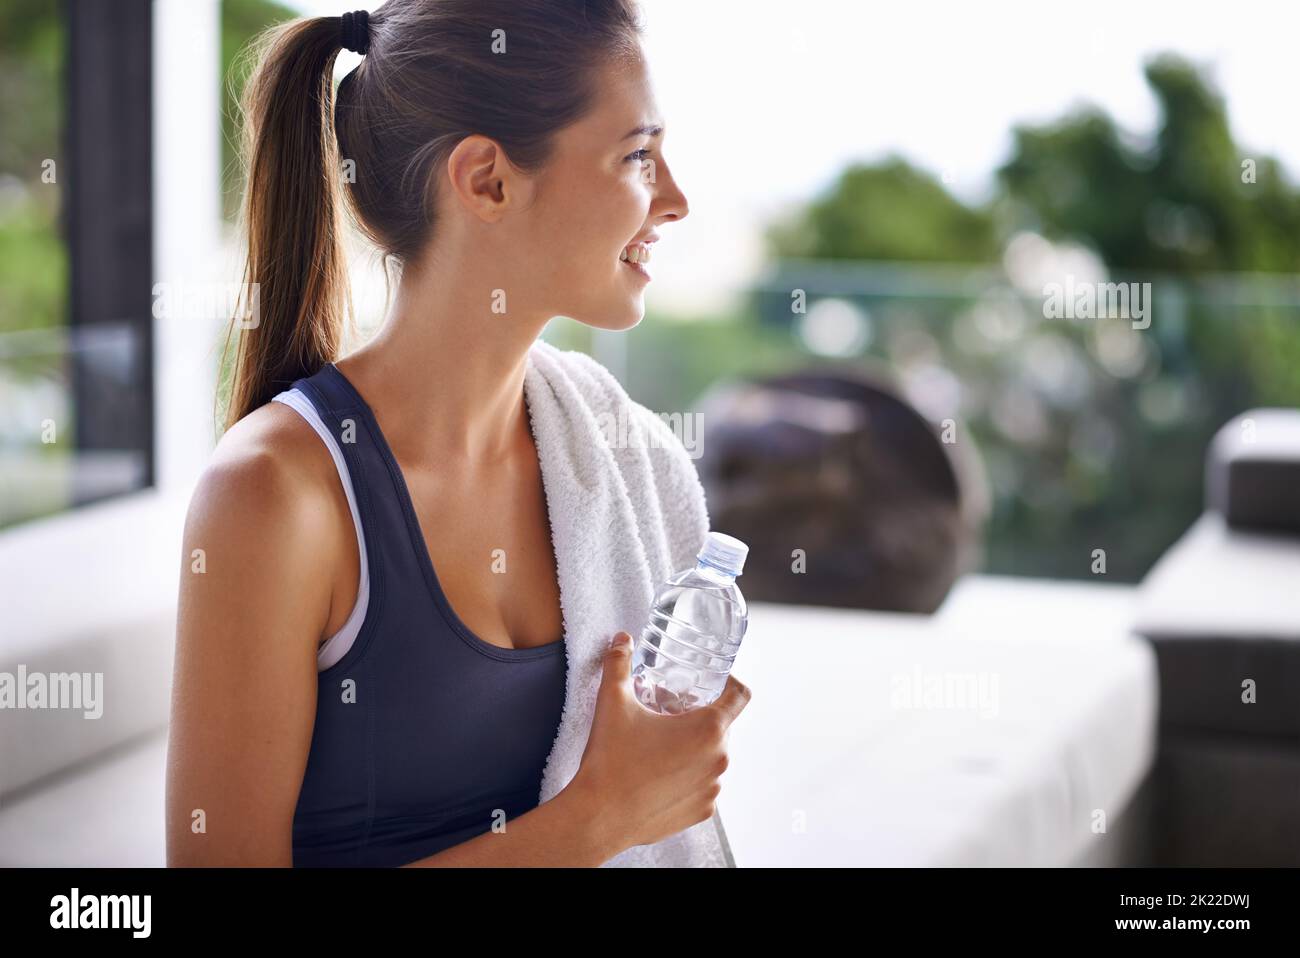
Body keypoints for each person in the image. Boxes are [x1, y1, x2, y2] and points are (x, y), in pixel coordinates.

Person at [166, 0, 750, 867]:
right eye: (637, 157)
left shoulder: (608, 449)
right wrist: (597, 822)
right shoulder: (274, 494)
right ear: (487, 181)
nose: (676, 199)